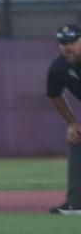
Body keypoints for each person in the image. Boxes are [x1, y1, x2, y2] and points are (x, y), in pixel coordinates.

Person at [45, 22, 81, 214]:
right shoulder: (58, 68)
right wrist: (73, 123)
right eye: (63, 42)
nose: (68, 46)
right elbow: (55, 96)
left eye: (73, 41)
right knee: (77, 138)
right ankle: (76, 203)